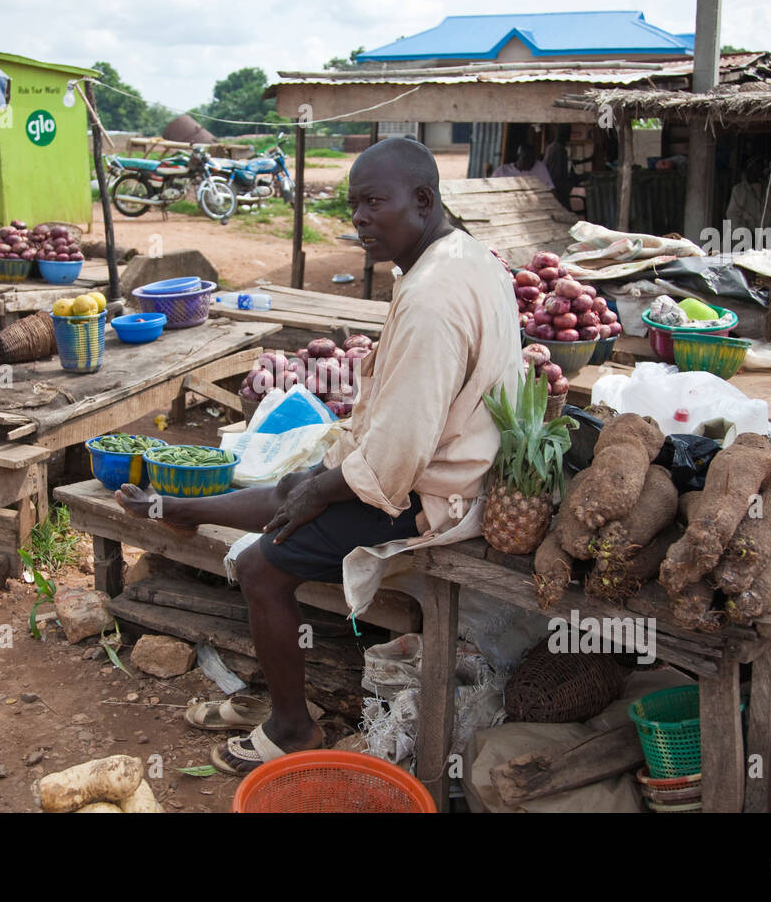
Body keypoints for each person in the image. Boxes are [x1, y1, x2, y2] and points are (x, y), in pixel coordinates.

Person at [114, 137, 523, 774]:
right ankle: (179, 508)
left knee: (260, 567)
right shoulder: (461, 255)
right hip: (442, 463)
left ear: (422, 200)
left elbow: (396, 457)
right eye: (353, 203)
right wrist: (324, 482)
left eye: (373, 202)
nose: (358, 218)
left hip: (432, 495)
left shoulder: (435, 297)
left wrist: (327, 486)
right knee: (301, 485)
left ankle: (292, 727)